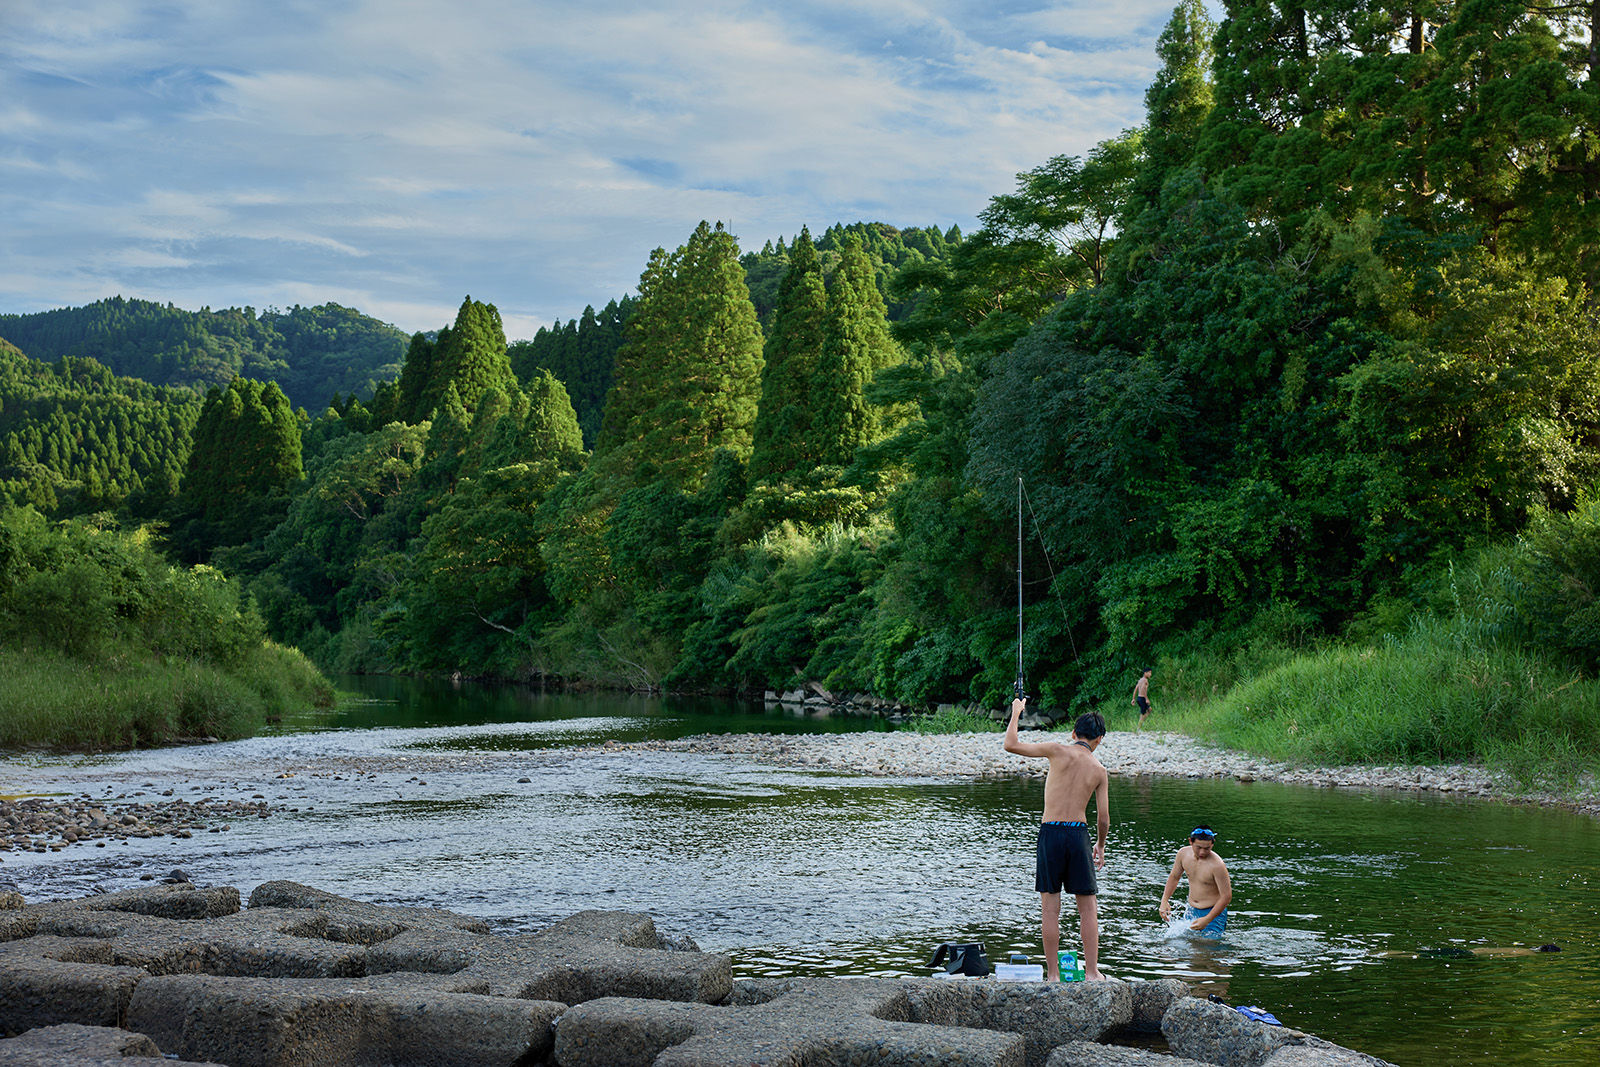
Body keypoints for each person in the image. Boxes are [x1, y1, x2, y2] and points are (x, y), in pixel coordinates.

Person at [1003, 697, 1110, 980]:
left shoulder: (1056, 749)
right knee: (1088, 908)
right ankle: (1091, 972)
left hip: (1050, 832)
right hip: (1078, 834)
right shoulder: (1099, 770)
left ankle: (1052, 975)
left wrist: (1016, 712)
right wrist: (1100, 844)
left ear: (1073, 733)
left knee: (1050, 908)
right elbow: (1103, 819)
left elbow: (1010, 744)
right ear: (1099, 739)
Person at [1158, 826, 1232, 937]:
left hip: (1213, 913)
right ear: (1190, 842)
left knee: (1208, 950)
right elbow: (1174, 877)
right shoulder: (1183, 854)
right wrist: (1164, 900)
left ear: (1212, 844)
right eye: (1198, 847)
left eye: (1207, 848)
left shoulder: (1217, 865)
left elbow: (1226, 896)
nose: (1202, 852)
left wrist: (1207, 919)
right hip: (1191, 911)